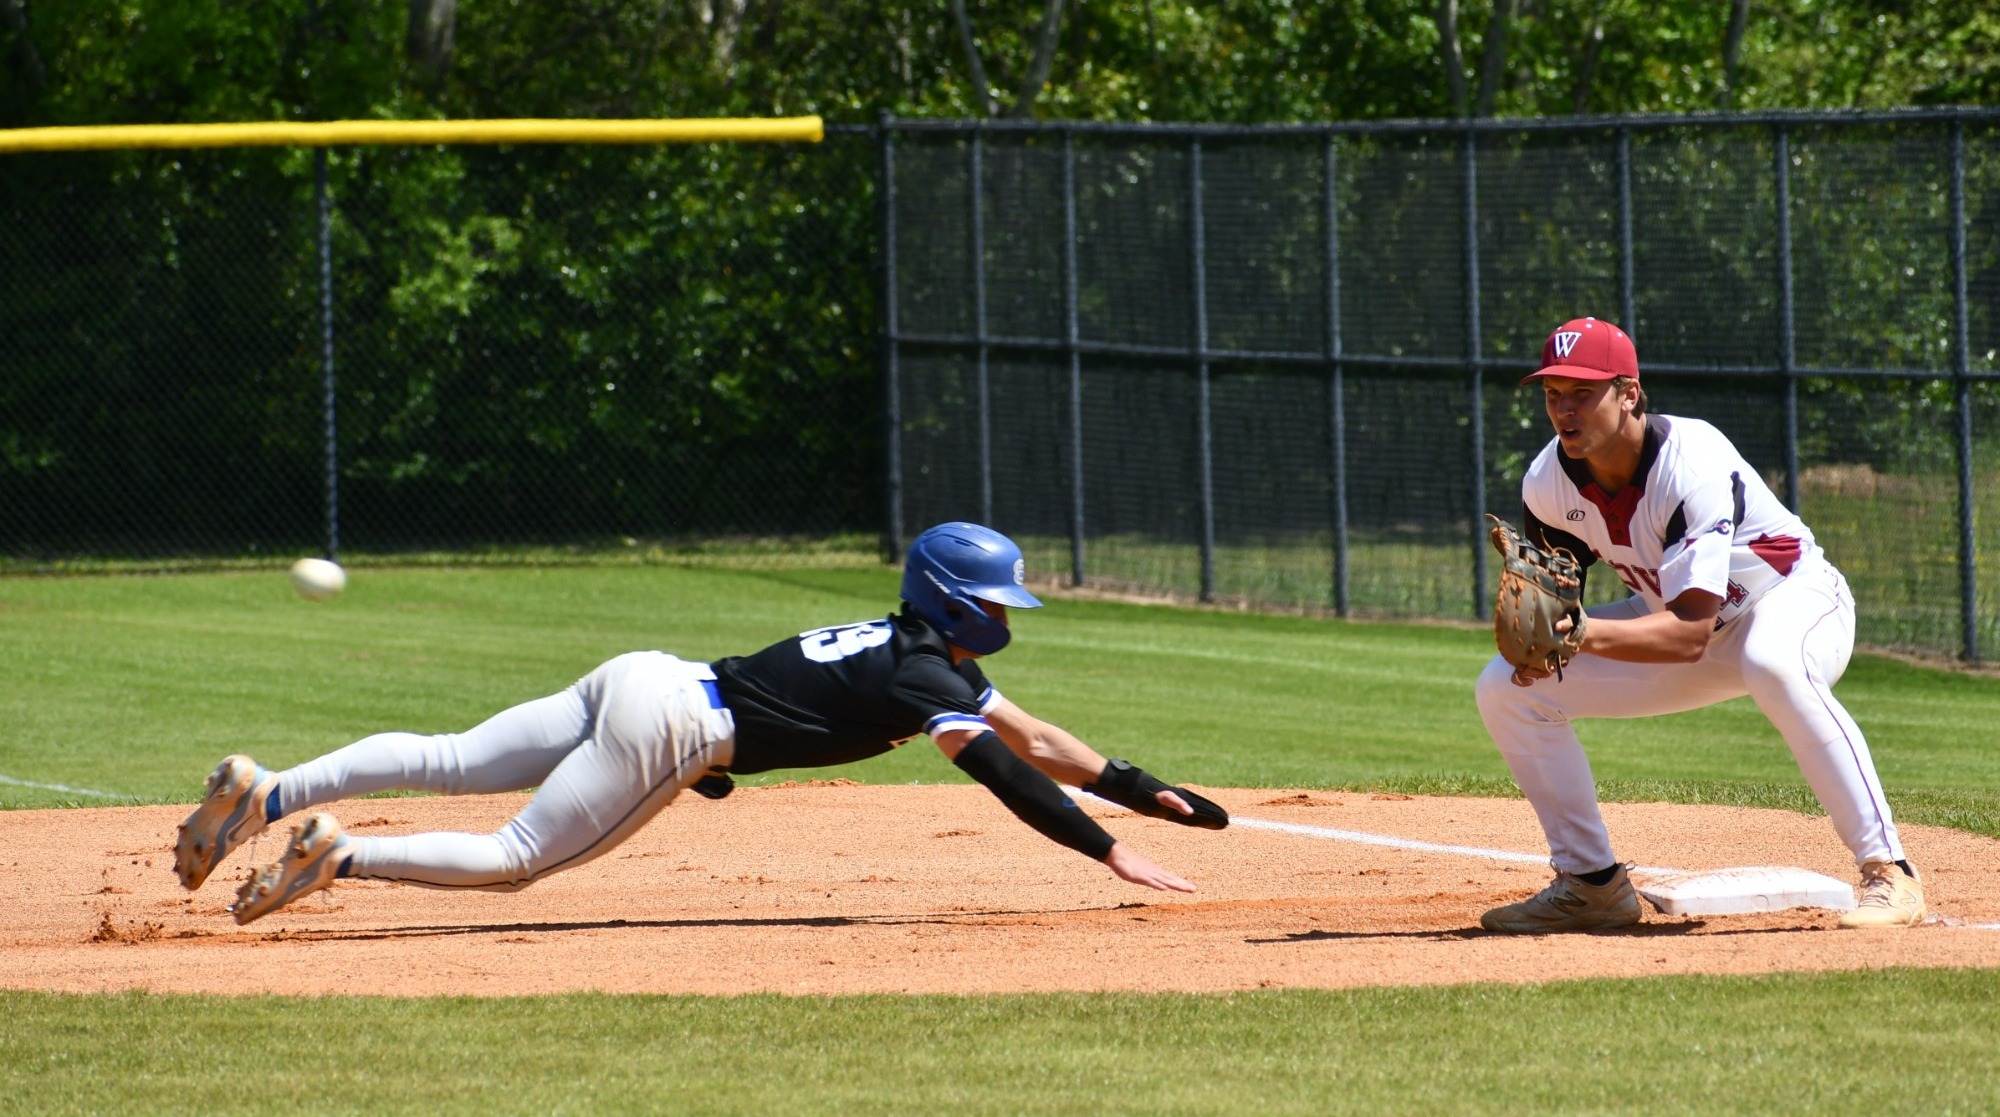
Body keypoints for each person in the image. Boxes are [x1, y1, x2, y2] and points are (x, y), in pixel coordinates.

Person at [176, 522, 1227, 924]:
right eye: (996, 602)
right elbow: (1007, 772)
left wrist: (1133, 782)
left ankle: (271, 790)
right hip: (674, 735)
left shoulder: (911, 650)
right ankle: (339, 857)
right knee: (514, 860)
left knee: (450, 753)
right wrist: (1110, 849)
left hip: (648, 676)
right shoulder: (925, 682)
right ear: (955, 601)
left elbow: (1036, 734)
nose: (1005, 619)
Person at [1474, 318, 1923, 934]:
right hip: (1680, 621)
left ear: (1629, 393)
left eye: (1583, 392)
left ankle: (1889, 871)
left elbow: (1685, 634)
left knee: (1772, 660)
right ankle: (1592, 885)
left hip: (1791, 600)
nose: (1564, 409)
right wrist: (1544, 638)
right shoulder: (1548, 484)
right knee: (1505, 686)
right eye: (1553, 393)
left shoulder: (1692, 462)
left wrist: (1575, 633)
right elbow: (1562, 600)